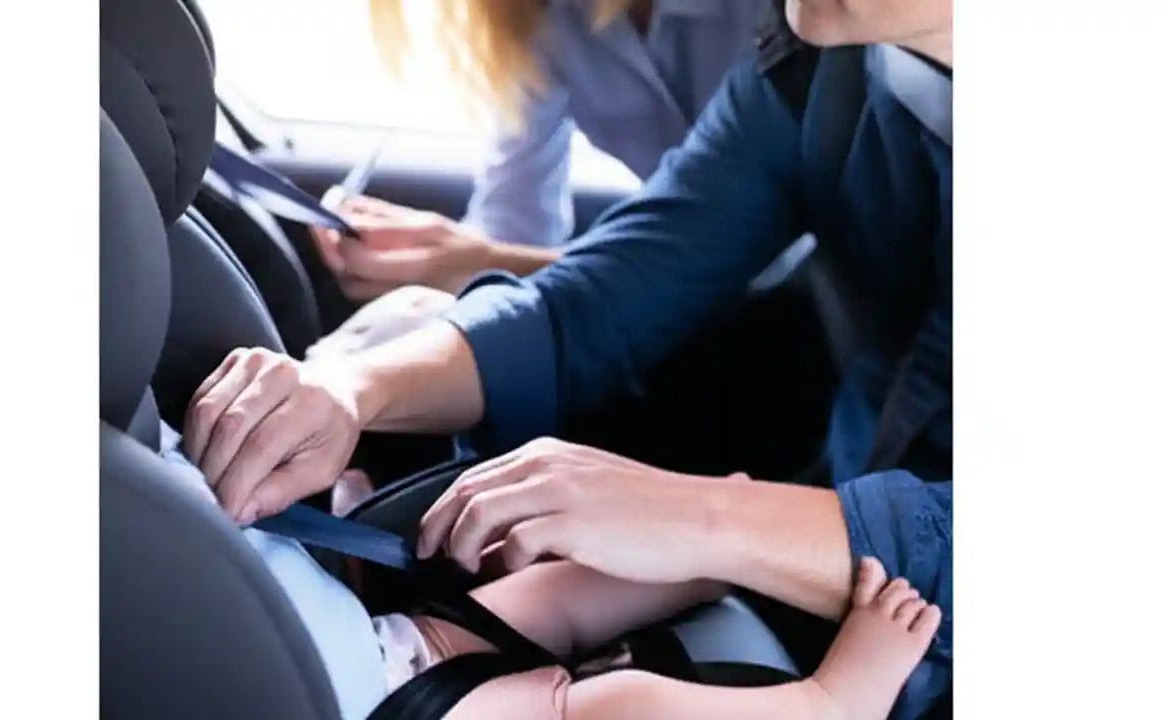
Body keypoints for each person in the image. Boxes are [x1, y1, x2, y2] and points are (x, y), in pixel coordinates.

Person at [184, 0, 954, 716]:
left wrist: (707, 518)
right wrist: (351, 388)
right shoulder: (816, 68)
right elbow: (595, 301)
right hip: (841, 516)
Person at [164, 419, 940, 719]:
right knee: (598, 709)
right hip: (390, 699)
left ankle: (703, 560)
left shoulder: (146, 443)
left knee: (535, 613)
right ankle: (832, 706)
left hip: (388, 652)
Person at [312, 0, 815, 302]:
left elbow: (750, 256)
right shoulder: (538, 20)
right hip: (699, 296)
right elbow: (515, 221)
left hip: (818, 299)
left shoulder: (783, 13)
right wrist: (423, 258)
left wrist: (479, 261)